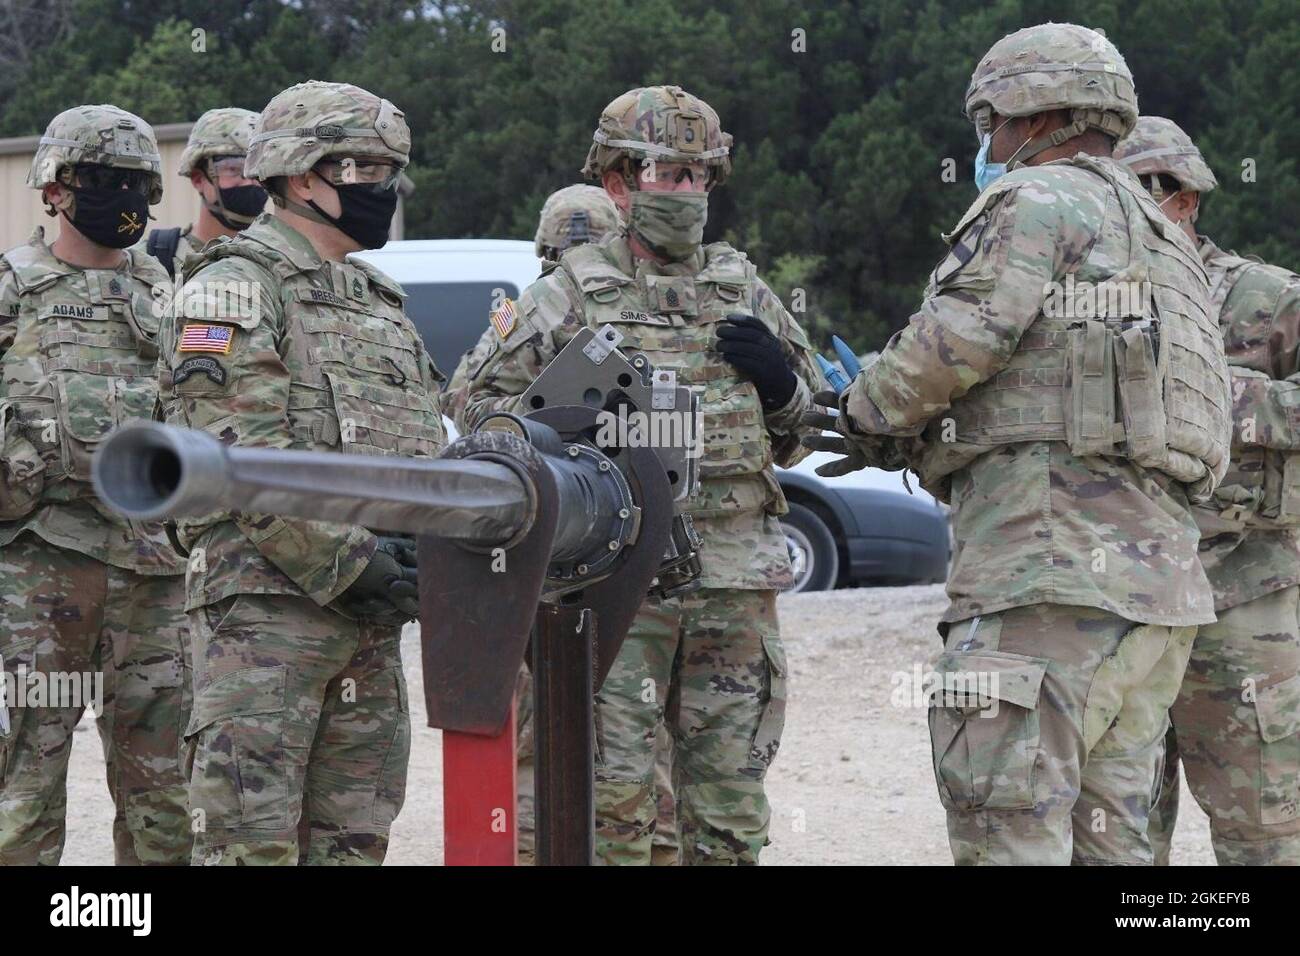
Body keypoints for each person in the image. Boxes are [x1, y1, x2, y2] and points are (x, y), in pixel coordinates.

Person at [805, 24, 1233, 864]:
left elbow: (957, 340)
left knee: (1006, 828)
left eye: (990, 124)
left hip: (1046, 575)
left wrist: (863, 412)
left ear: (1038, 118)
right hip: (1158, 597)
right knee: (1113, 848)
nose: (986, 145)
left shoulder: (1036, 201)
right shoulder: (1167, 243)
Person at [456, 85, 821, 865]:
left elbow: (806, 419)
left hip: (736, 584)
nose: (684, 192)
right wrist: (564, 444)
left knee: (730, 808)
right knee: (613, 808)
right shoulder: (568, 293)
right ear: (619, 182)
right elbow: (477, 408)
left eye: (698, 175)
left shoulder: (745, 289)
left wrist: (783, 385)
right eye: (664, 172)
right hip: (622, 587)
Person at [160, 81, 445, 865]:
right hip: (263, 622)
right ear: (298, 175)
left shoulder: (377, 302)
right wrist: (353, 562)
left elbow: (420, 449)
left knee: (354, 846)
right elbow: (237, 459)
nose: (382, 189)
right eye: (362, 170)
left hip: (369, 622)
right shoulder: (233, 287)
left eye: (390, 170)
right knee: (248, 846)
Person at [0, 104, 191, 865]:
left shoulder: (179, 295)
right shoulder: (15, 290)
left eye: (139, 185)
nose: (123, 199)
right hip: (38, 573)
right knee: (21, 790)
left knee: (169, 801)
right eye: (101, 181)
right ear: (54, 190)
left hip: (157, 577)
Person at [1117, 115, 1300, 865]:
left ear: (1181, 200)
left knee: (1263, 824)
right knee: (1115, 829)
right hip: (1119, 599)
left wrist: (1225, 399)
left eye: (1127, 195)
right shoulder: (1081, 302)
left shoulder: (1267, 297)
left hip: (1244, 593)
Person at [134, 107, 267, 279]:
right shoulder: (149, 260)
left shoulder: (283, 260)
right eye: (234, 169)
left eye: (256, 171)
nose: (249, 181)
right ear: (198, 179)